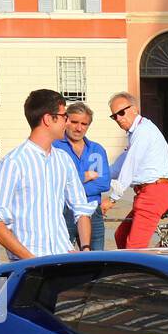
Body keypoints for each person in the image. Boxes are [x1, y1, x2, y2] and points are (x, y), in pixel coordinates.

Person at [0, 89, 96, 259]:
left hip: (62, 256)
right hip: (29, 264)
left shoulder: (63, 160)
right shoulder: (14, 163)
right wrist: (30, 260)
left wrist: (86, 249)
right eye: (64, 116)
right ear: (47, 119)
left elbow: (81, 208)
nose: (67, 123)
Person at [105, 91, 168, 249]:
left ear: (134, 109)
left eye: (121, 113)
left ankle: (143, 274)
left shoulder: (143, 131)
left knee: (134, 247)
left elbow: (131, 164)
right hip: (147, 193)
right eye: (114, 116)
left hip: (154, 193)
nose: (118, 118)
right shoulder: (134, 133)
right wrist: (95, 177)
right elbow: (118, 167)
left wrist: (113, 198)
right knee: (121, 236)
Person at [54, 102, 110, 252]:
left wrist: (71, 184)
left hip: (93, 211)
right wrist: (85, 176)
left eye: (84, 124)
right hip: (64, 212)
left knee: (96, 260)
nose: (79, 128)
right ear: (66, 121)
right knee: (62, 260)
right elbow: (55, 181)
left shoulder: (96, 150)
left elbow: (104, 183)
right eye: (74, 122)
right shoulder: (55, 147)